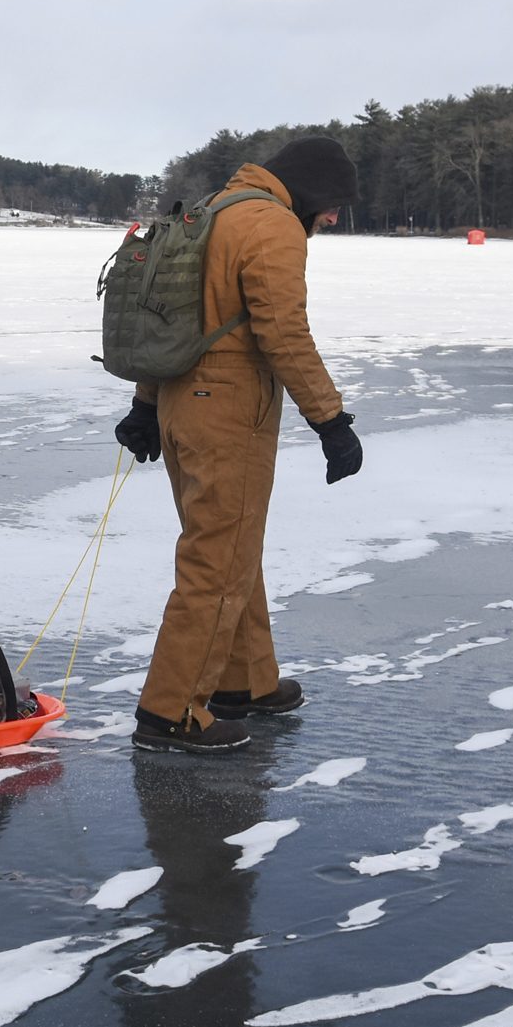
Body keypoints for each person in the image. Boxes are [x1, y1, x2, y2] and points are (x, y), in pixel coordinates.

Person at [114, 135, 363, 754]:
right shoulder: (271, 225)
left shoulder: (214, 210)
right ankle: (169, 711)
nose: (332, 216)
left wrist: (146, 405)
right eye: (332, 202)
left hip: (180, 401)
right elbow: (284, 332)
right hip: (225, 410)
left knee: (231, 545)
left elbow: (171, 316)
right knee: (217, 560)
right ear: (306, 187)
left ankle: (244, 684)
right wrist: (331, 421)